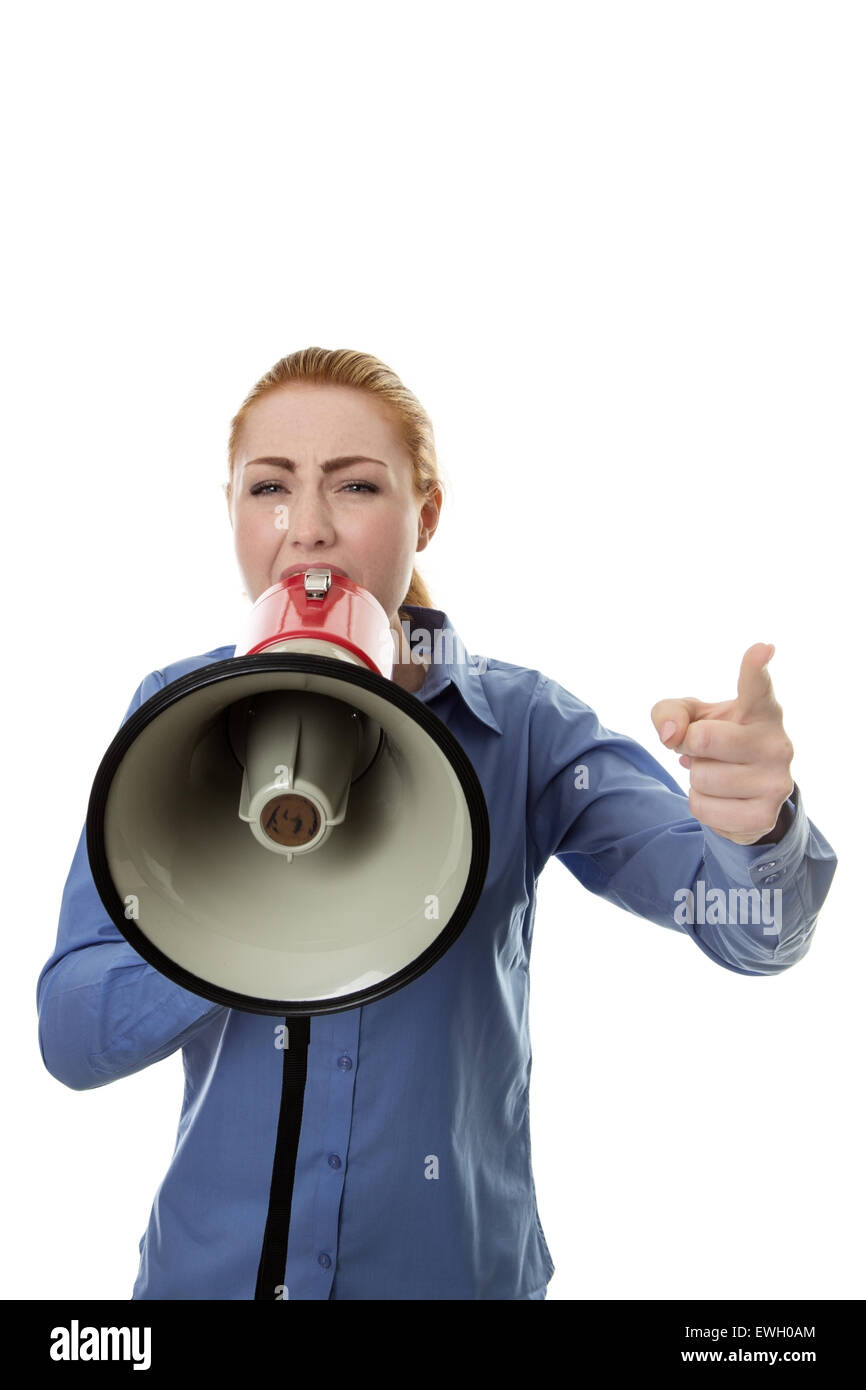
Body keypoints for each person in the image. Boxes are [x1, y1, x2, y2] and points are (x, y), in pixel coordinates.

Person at [37, 347, 839, 1301]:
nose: (310, 532)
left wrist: (756, 829)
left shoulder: (526, 728)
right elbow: (71, 1037)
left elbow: (752, 932)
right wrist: (231, 923)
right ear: (233, 514)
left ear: (427, 514)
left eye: (358, 486)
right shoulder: (171, 714)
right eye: (270, 489)